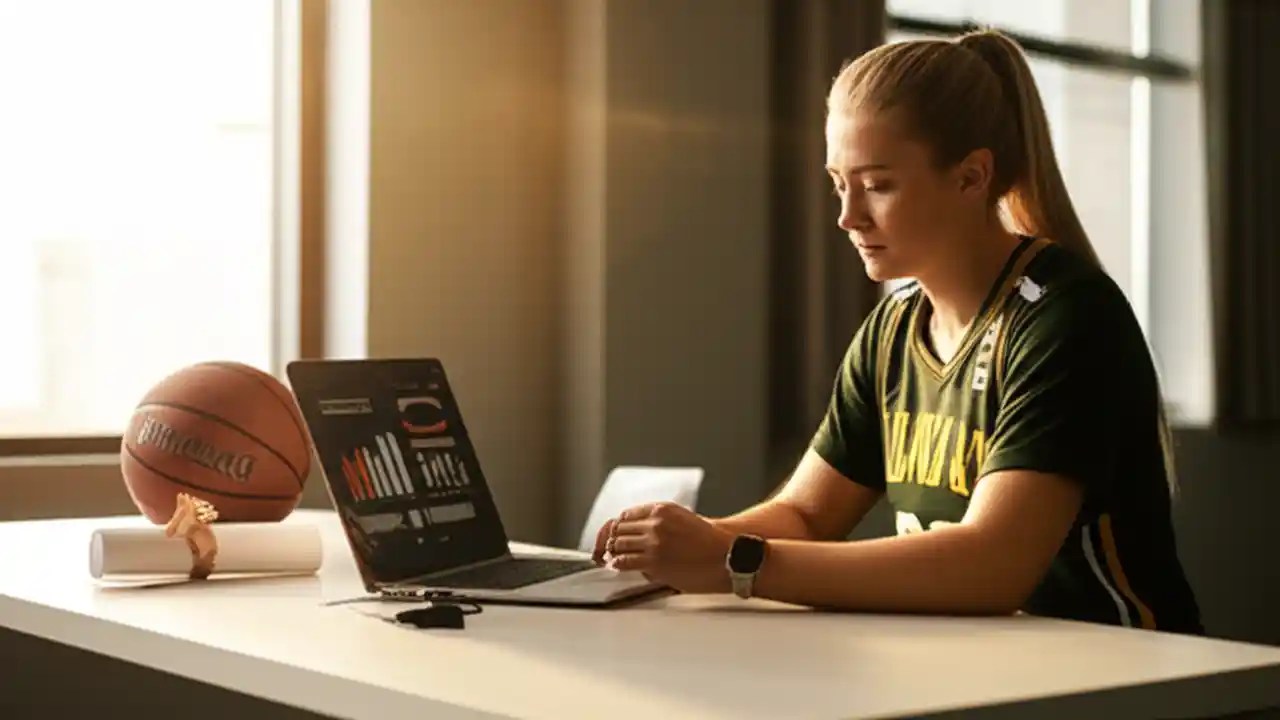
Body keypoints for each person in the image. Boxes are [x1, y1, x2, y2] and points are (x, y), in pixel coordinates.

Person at [591, 29, 1203, 635]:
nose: (847, 216)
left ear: (971, 177)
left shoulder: (1067, 317)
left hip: (1117, 670)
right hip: (980, 667)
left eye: (878, 185)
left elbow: (991, 565)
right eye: (839, 183)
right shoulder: (893, 327)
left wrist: (735, 560)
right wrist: (672, 551)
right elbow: (805, 515)